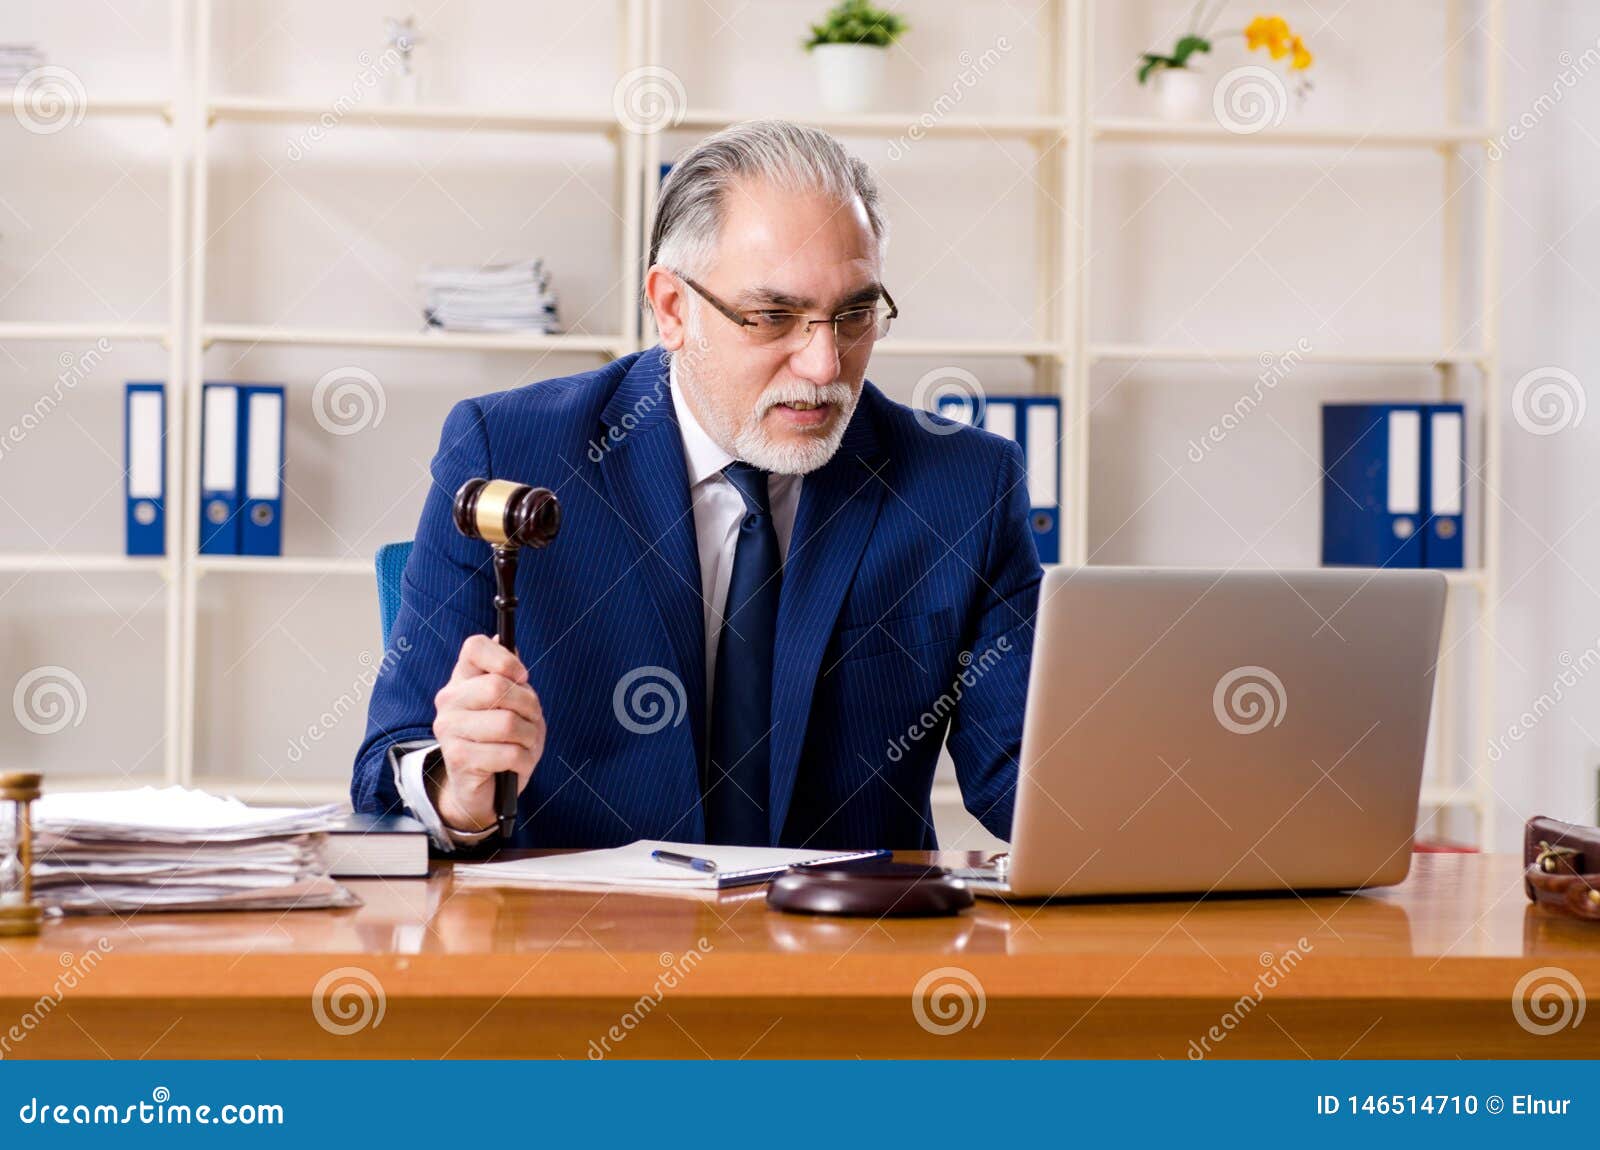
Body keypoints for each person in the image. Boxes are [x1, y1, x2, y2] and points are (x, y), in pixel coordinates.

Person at [352, 119, 1041, 850]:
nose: (822, 365)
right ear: (673, 308)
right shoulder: (511, 452)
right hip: (578, 941)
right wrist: (458, 790)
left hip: (846, 950)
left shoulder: (966, 487)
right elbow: (382, 773)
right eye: (773, 317)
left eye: (854, 314)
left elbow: (1027, 786)